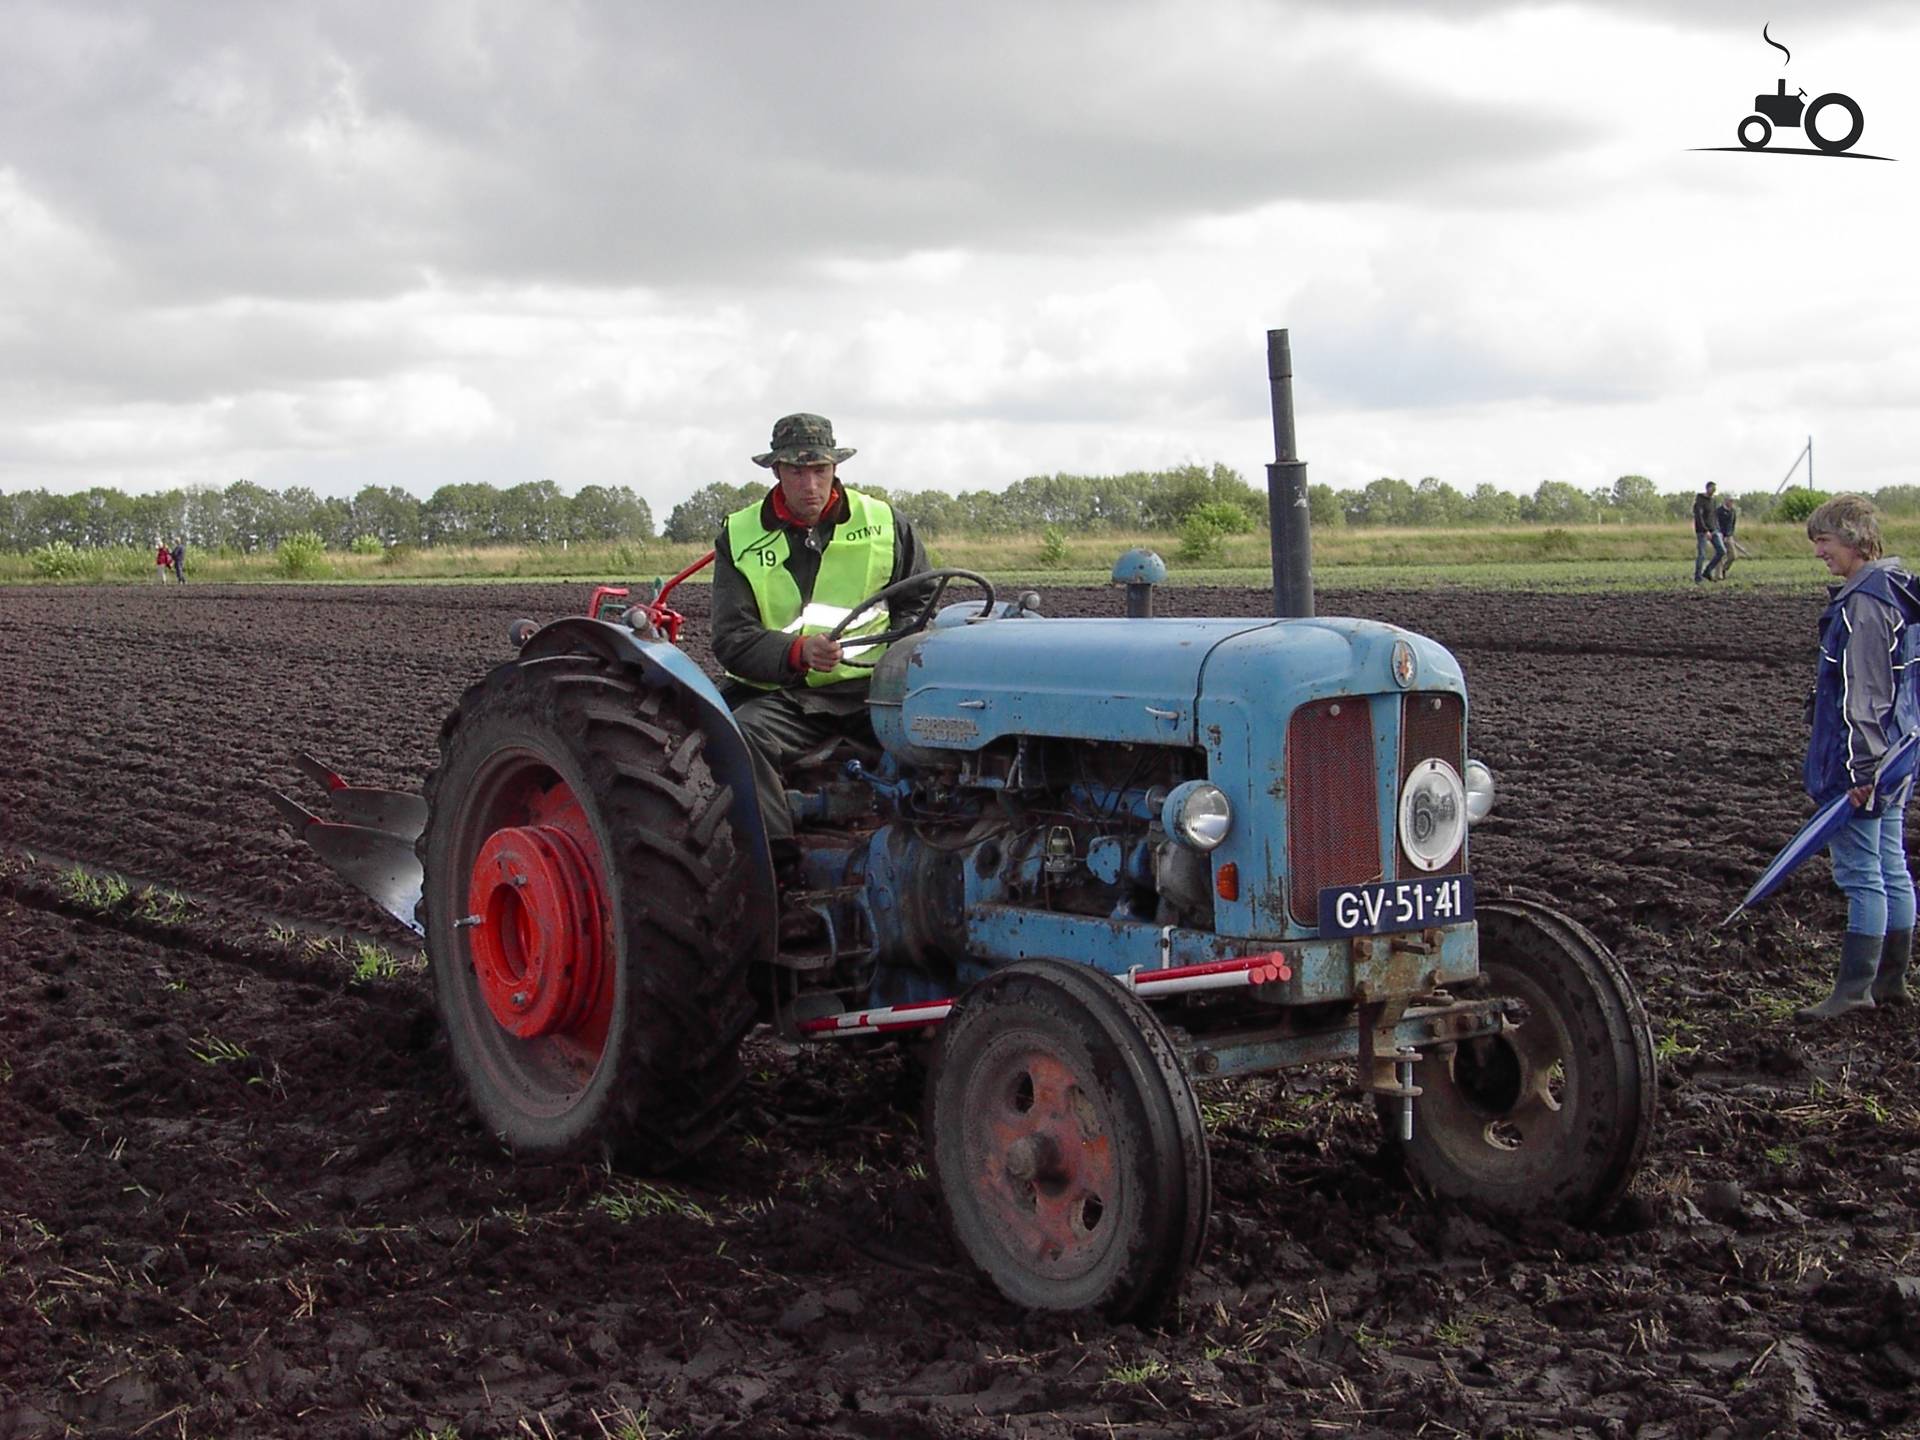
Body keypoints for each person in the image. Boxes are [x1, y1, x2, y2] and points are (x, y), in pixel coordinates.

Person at [711, 412, 931, 875]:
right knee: (742, 735)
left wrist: (897, 655)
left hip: (878, 694)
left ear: (835, 468)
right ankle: (778, 873)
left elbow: (921, 602)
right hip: (792, 700)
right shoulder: (741, 537)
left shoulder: (886, 524)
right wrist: (797, 653)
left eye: (820, 470)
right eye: (796, 471)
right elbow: (732, 638)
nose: (810, 484)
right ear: (776, 471)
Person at [1797, 495, 1920, 1018]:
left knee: (1862, 873)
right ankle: (1889, 983)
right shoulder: (1898, 588)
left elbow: (1863, 696)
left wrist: (1859, 773)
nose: (1820, 552)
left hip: (1864, 764)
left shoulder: (1865, 604)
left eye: (1824, 541)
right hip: (1898, 756)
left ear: (1851, 538)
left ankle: (1854, 992)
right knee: (1891, 864)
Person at [1692, 482, 1724, 583]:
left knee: (1721, 551)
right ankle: (1698, 577)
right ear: (1707, 488)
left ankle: (1707, 571)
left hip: (1714, 530)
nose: (1713, 491)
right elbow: (1699, 517)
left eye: (1715, 489)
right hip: (1702, 531)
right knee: (1702, 554)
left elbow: (1714, 516)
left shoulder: (1713, 500)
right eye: (1712, 489)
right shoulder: (1700, 501)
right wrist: (1705, 530)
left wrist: (1718, 529)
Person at [1710, 498, 1738, 579]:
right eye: (1730, 501)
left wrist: (1730, 534)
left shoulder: (1733, 511)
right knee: (1720, 554)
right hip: (1719, 536)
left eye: (1733, 501)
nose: (1732, 502)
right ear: (1725, 501)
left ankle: (1724, 569)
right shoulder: (1718, 511)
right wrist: (1719, 534)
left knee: (1733, 556)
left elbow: (1732, 524)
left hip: (1729, 537)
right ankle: (1718, 576)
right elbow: (1715, 523)